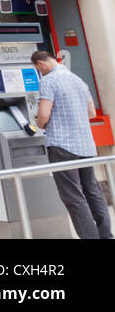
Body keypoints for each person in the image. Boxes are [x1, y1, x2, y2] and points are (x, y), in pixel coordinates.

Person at [32, 50, 113, 239]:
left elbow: (43, 115)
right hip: (85, 145)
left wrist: (38, 122)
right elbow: (91, 112)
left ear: (41, 64)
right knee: (92, 191)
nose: (39, 72)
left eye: (37, 69)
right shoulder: (77, 79)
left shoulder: (48, 81)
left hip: (62, 146)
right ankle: (106, 236)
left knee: (73, 197)